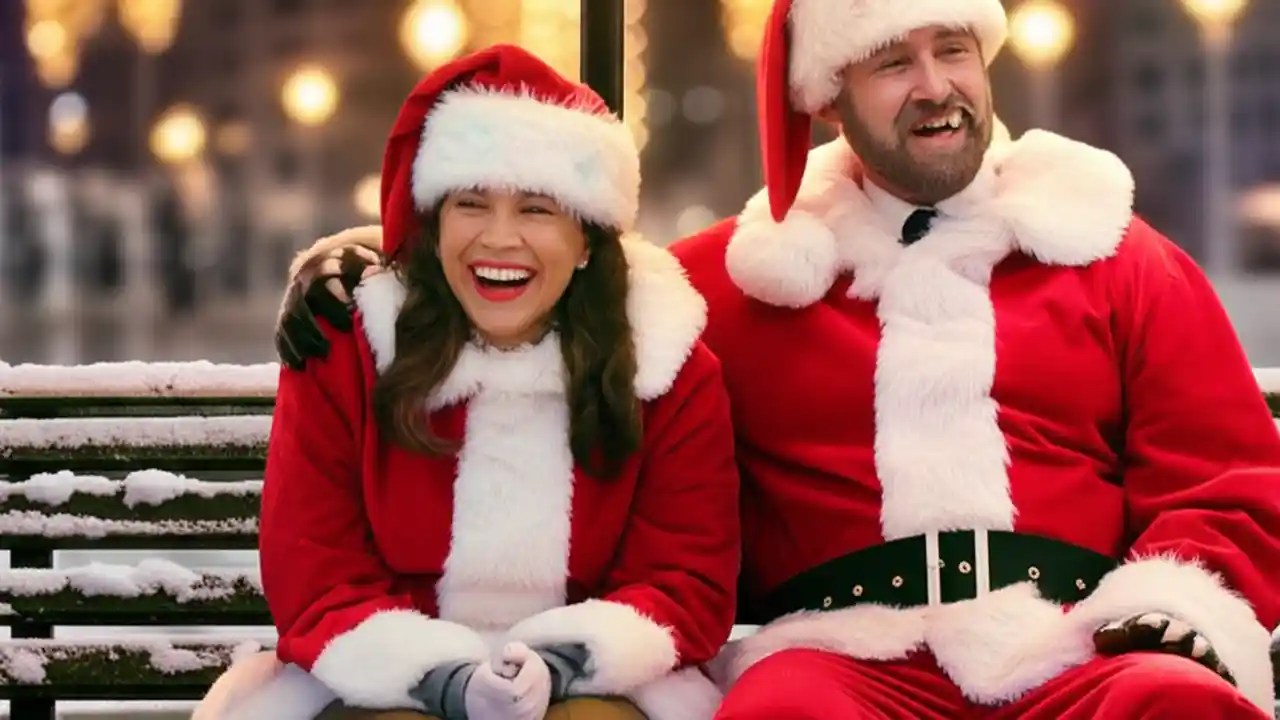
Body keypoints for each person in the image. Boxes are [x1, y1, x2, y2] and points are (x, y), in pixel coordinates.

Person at [272, 1, 1280, 718]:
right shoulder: (737, 281)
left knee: (1173, 706)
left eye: (952, 51)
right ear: (828, 97)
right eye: (891, 62)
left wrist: (1169, 609)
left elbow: (1226, 476)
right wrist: (379, 255)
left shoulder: (1111, 256)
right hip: (848, 660)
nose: (934, 88)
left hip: (1079, 647)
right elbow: (546, 271)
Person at [195, 44, 740, 720]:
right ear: (436, 220)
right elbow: (317, 572)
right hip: (380, 680)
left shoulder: (665, 362)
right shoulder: (349, 346)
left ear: (588, 242)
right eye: (471, 204)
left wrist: (563, 663)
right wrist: (442, 680)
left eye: (538, 209)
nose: (499, 238)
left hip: (599, 683)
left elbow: (682, 578)